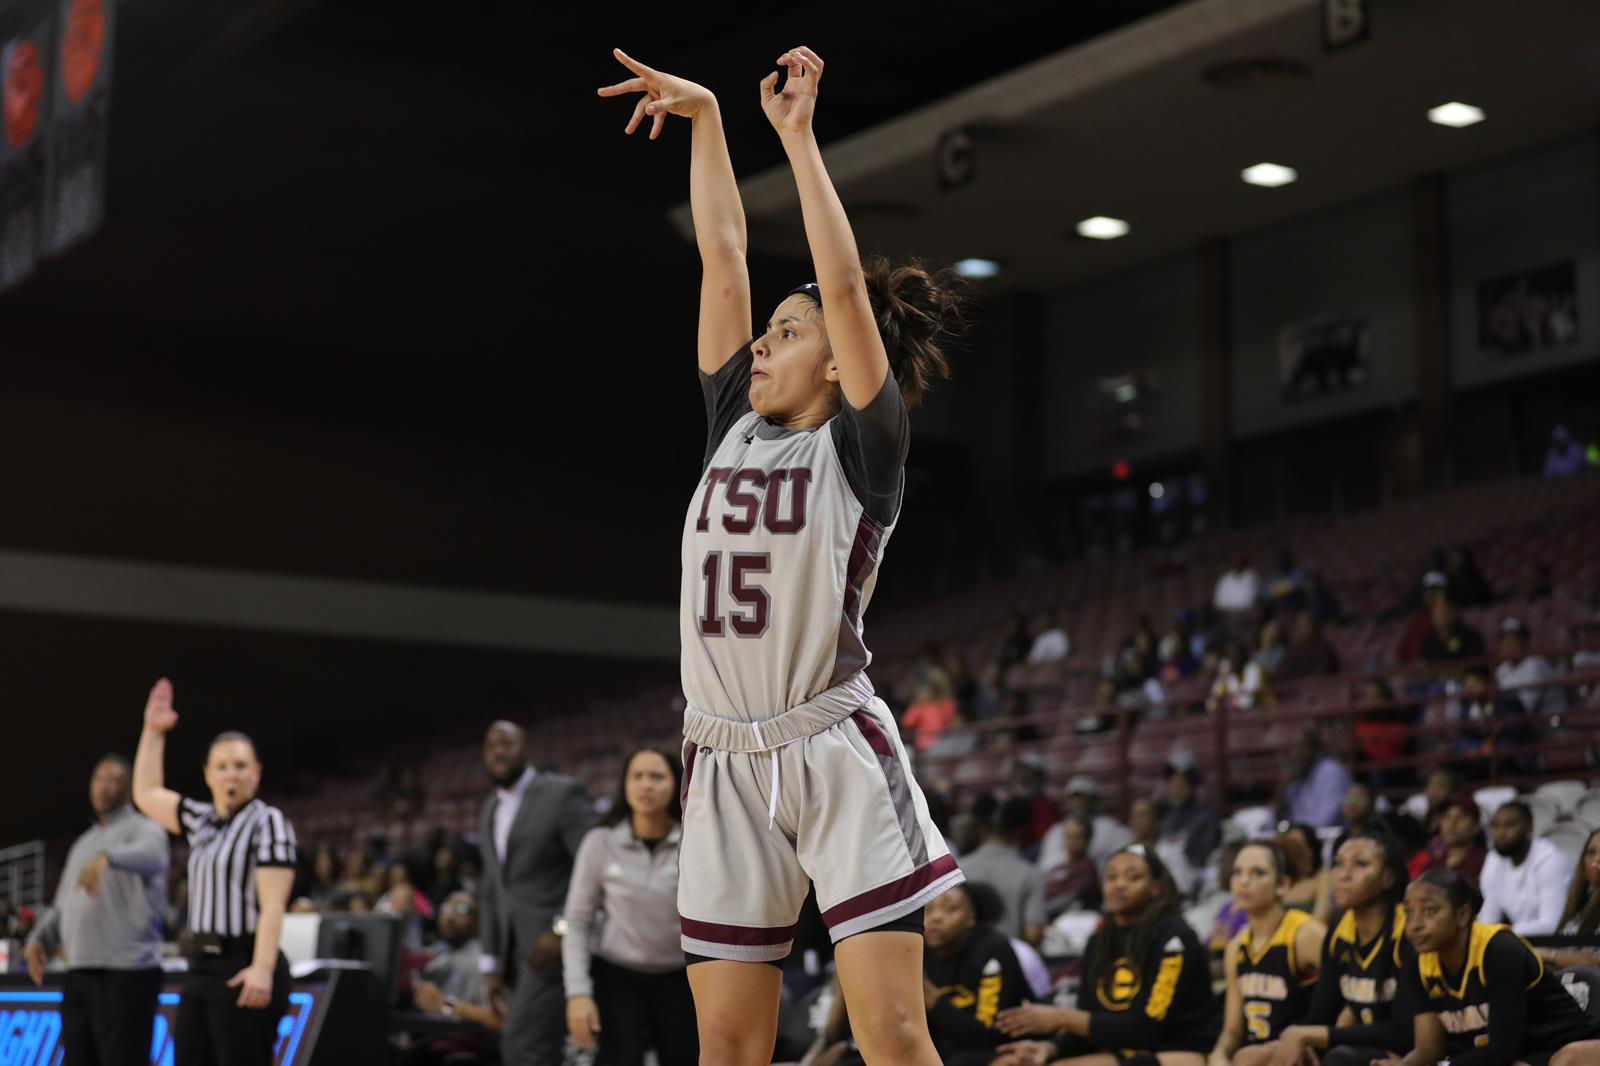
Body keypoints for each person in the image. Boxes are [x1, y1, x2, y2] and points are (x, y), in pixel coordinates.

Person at [599, 45, 965, 1066]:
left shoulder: (862, 445)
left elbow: (844, 284)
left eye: (787, 331)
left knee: (891, 1034)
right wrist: (710, 118)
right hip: (718, 755)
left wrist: (798, 140)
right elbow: (721, 255)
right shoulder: (731, 424)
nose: (761, 343)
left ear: (839, 358)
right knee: (726, 1047)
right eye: (764, 331)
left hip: (830, 747)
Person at [131, 679, 296, 1066]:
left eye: (240, 766)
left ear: (256, 773)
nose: (231, 775)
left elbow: (274, 903)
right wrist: (153, 733)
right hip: (201, 964)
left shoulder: (267, 821)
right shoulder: (200, 820)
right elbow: (146, 794)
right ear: (208, 774)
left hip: (243, 961)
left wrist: (262, 968)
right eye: (222, 767)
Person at [990, 845, 1220, 1066]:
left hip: (1175, 1052)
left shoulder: (1174, 939)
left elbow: (1146, 1029)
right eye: (1111, 877)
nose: (1119, 885)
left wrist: (1062, 1018)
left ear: (1155, 888)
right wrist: (1050, 1048)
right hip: (1124, 1053)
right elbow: (1089, 1025)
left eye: (1133, 877)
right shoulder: (1099, 940)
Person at [24, 755, 169, 1066]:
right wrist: (38, 938)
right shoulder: (82, 844)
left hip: (127, 973)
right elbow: (63, 904)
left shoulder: (146, 829)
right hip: (80, 972)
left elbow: (154, 856)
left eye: (114, 779)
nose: (104, 787)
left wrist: (109, 856)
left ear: (129, 788)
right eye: (98, 779)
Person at [562, 748, 697, 1066]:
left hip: (682, 980)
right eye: (637, 776)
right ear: (624, 785)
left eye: (656, 776)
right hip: (617, 978)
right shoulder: (599, 842)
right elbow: (578, 921)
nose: (646, 785)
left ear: (675, 784)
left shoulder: (693, 841)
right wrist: (578, 993)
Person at [1390, 867, 1600, 1066]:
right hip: (1516, 1056)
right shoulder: (1419, 964)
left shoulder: (1499, 950)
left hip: (1567, 1048)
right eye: (1409, 912)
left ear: (1462, 914)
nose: (1415, 924)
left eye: (1430, 911)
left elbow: (1502, 1050)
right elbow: (1429, 1048)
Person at [477, 719, 595, 1065]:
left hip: (553, 948)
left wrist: (561, 929)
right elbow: (492, 887)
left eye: (507, 743)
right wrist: (489, 961)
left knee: (523, 1048)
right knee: (535, 1049)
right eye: (491, 745)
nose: (498, 752)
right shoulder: (490, 808)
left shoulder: (562, 794)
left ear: (525, 749)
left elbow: (592, 870)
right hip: (513, 954)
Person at [1268, 831, 1414, 1066]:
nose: (1343, 875)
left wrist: (1311, 1035)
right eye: (1337, 864)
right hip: (1367, 1048)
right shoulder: (1339, 930)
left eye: (1360, 864)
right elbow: (1321, 1013)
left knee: (1340, 1060)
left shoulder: (1408, 931)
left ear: (1388, 877)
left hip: (1415, 1054)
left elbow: (1405, 1031)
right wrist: (1290, 1039)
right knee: (1253, 1056)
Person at [1208, 843, 1325, 1066]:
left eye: (1257, 873)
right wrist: (1219, 1054)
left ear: (1282, 885)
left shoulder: (1306, 933)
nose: (1243, 881)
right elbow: (1233, 1029)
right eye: (1237, 872)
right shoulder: (1235, 947)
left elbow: (1348, 997)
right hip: (1258, 1052)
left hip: (1303, 1053)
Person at [922, 883, 1033, 1065]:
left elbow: (989, 1036)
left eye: (949, 909)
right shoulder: (923, 951)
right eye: (928, 910)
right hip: (949, 1049)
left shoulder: (993, 951)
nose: (936, 918)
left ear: (972, 917)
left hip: (1004, 1047)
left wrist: (931, 996)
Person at [402, 892, 502, 1066]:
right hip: (432, 1044)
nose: (450, 916)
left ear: (478, 920)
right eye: (446, 909)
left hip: (470, 1052)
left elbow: (496, 1020)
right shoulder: (437, 961)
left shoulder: (483, 961)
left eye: (461, 910)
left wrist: (443, 1004)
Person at [957, 797, 1046, 945]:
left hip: (965, 961)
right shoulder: (1031, 873)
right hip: (1010, 959)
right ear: (1018, 831)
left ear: (981, 830)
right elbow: (1034, 933)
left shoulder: (958, 869)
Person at [1477, 801, 1571, 936]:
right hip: (1520, 941)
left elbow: (1552, 924)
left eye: (1510, 825)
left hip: (1562, 945)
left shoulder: (1550, 860)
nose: (1501, 833)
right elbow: (1490, 916)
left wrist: (1500, 933)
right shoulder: (1494, 859)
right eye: (1495, 826)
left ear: (1529, 827)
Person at [1038, 776, 1132, 875]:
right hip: (1056, 881)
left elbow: (1126, 855)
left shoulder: (1109, 827)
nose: (1078, 803)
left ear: (1093, 800)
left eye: (1083, 798)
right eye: (1074, 798)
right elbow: (1044, 865)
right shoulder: (1056, 829)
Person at [1275, 729, 1351, 829]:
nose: (1296, 754)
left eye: (1302, 748)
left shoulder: (1332, 773)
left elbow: (1327, 821)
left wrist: (1295, 832)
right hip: (1300, 838)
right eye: (1293, 749)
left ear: (1316, 750)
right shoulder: (1294, 778)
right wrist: (1282, 789)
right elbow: (1275, 823)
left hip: (1330, 838)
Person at [1408, 793, 1487, 887]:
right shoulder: (1432, 865)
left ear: (1476, 826)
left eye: (1460, 817)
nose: (1451, 823)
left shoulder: (1485, 863)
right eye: (1446, 817)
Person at [1495, 617, 1568, 717]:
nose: (1508, 645)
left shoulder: (1536, 665)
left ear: (1525, 642)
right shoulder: (1502, 669)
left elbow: (1525, 707)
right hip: (1525, 726)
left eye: (1513, 640)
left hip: (1551, 726)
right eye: (1504, 640)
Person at [1041, 815, 1101, 919]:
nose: (1071, 842)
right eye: (1068, 836)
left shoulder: (1087, 869)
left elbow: (1070, 898)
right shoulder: (1059, 867)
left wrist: (1040, 909)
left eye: (1077, 837)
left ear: (1088, 839)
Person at [1275, 826, 1332, 925]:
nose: (1295, 851)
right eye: (1289, 845)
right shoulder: (1276, 880)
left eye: (1299, 845)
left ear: (1311, 848)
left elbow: (1320, 920)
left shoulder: (1323, 876)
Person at [1420, 599, 1487, 665]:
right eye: (1436, 613)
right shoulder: (1429, 639)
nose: (1441, 617)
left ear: (1454, 613)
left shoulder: (1470, 637)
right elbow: (1423, 662)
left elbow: (1479, 662)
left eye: (1444, 613)